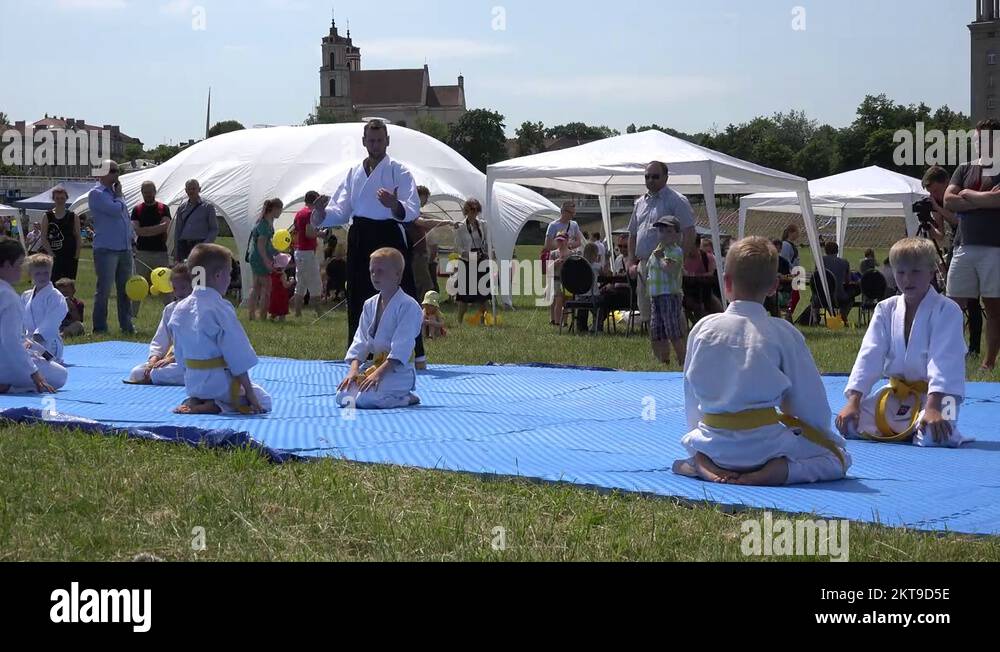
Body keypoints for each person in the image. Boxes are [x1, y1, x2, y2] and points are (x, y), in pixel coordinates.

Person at [672, 236, 851, 486]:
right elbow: (809, 404)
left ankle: (700, 461)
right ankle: (780, 471)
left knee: (689, 455)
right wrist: (817, 435)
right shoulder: (782, 333)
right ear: (774, 285)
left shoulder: (702, 328)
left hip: (713, 444)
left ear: (726, 283)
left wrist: (699, 435)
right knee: (838, 459)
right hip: (766, 449)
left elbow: (691, 395)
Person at [311, 119, 426, 368]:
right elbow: (340, 210)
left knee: (401, 291)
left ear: (387, 141)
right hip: (360, 233)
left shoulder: (399, 170)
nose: (375, 144)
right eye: (371, 140)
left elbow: (413, 208)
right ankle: (358, 355)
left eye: (380, 140)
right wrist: (321, 213)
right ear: (364, 142)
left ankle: (417, 354)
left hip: (389, 233)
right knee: (357, 292)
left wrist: (394, 205)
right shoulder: (354, 172)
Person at [837, 238, 969, 447]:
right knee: (850, 424)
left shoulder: (948, 310)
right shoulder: (885, 309)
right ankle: (907, 426)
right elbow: (869, 355)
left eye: (916, 272)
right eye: (900, 272)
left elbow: (945, 360)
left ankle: (920, 423)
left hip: (944, 396)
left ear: (932, 271)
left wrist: (934, 406)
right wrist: (853, 402)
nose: (907, 279)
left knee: (936, 437)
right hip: (899, 393)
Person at [168, 244, 271, 415]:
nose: (230, 279)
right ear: (218, 275)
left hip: (192, 382)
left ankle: (196, 399)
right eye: (229, 274)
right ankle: (217, 406)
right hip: (220, 384)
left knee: (204, 387)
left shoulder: (179, 308)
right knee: (265, 400)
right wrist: (251, 394)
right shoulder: (220, 308)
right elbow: (237, 354)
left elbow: (179, 355)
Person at [943, 118, 1000, 371]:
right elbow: (948, 200)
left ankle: (988, 363)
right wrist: (984, 199)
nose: (978, 144)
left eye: (984, 140)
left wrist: (967, 196)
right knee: (952, 306)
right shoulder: (964, 168)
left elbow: (997, 201)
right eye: (976, 139)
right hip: (962, 246)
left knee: (994, 307)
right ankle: (949, 356)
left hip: (994, 248)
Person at [336, 247, 422, 409]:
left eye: (380, 271)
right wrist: (353, 370)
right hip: (374, 366)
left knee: (366, 399)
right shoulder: (369, 304)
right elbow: (360, 341)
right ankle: (386, 391)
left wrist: (378, 374)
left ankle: (406, 398)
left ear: (398, 274)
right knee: (344, 397)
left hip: (398, 371)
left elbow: (401, 348)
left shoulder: (408, 306)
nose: (375, 275)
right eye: (372, 271)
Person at [627, 162, 696, 328]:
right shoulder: (639, 203)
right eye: (647, 176)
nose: (650, 180)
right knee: (648, 314)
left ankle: (681, 350)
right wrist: (631, 262)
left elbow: (689, 232)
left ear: (666, 177)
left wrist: (679, 259)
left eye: (655, 176)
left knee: (671, 309)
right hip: (644, 264)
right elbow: (632, 234)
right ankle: (658, 350)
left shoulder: (677, 200)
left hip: (667, 264)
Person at [0, 238, 67, 394]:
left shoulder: (56, 297)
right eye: (19, 265)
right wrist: (34, 373)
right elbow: (10, 341)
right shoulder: (10, 296)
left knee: (42, 355)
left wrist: (27, 341)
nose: (21, 269)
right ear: (6, 265)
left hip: (40, 343)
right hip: (7, 356)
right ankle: (7, 386)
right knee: (61, 375)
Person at [126, 264, 194, 386]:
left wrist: (171, 359)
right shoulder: (170, 310)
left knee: (159, 373)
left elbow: (196, 346)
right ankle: (153, 376)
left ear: (193, 287)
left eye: (183, 287)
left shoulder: (198, 310)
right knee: (137, 373)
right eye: (175, 288)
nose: (179, 293)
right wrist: (153, 360)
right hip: (175, 363)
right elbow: (160, 340)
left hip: (194, 362)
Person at [88, 160, 134, 335]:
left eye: (118, 170)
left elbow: (125, 218)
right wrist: (120, 197)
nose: (117, 174)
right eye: (113, 171)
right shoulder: (97, 193)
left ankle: (127, 326)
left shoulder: (115, 194)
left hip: (124, 248)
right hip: (106, 248)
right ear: (102, 173)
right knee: (104, 290)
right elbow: (115, 211)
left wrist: (131, 239)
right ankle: (100, 327)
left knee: (125, 290)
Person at [646, 217, 687, 366]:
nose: (664, 234)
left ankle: (682, 359)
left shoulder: (675, 251)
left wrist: (661, 257)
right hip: (656, 295)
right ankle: (664, 360)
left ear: (677, 235)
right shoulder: (656, 250)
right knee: (658, 331)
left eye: (669, 231)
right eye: (661, 231)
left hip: (669, 294)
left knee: (673, 330)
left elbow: (670, 269)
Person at [130, 181, 172, 317]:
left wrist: (146, 230)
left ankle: (171, 314)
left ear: (155, 191)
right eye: (145, 192)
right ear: (142, 193)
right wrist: (155, 229)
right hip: (142, 253)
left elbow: (166, 226)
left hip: (160, 252)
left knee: (165, 286)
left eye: (150, 191)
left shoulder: (163, 208)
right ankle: (132, 316)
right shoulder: (137, 210)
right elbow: (136, 230)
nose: (148, 194)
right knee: (138, 285)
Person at [408, 186, 455, 302]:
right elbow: (425, 223)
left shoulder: (416, 212)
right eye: (424, 198)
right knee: (425, 286)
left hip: (421, 255)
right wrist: (447, 222)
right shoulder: (410, 212)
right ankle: (423, 311)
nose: (426, 201)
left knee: (425, 285)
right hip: (416, 255)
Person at [22, 254, 68, 364]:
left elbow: (52, 320)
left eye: (46, 273)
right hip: (27, 342)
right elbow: (18, 320)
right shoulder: (26, 295)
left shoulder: (56, 297)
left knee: (33, 364)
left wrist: (36, 337)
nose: (42, 277)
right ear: (31, 274)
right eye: (38, 273)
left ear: (51, 272)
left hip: (48, 345)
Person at [453, 198, 491, 326]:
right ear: (466, 211)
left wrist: (486, 253)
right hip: (467, 261)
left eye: (475, 209)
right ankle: (459, 321)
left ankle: (483, 322)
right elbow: (458, 247)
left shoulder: (483, 224)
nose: (473, 212)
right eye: (470, 209)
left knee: (483, 295)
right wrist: (469, 255)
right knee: (464, 296)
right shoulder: (460, 227)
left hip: (481, 260)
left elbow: (487, 242)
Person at [291, 191, 325, 319]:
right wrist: (321, 234)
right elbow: (309, 233)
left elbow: (297, 228)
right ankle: (319, 311)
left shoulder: (299, 213)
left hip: (299, 251)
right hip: (307, 252)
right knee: (315, 281)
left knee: (301, 283)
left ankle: (298, 312)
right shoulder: (310, 213)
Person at [247, 198, 280, 321]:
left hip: (255, 256)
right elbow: (261, 245)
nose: (280, 213)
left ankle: (251, 315)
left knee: (255, 286)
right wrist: (266, 260)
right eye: (280, 210)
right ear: (274, 209)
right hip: (260, 257)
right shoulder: (264, 225)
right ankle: (262, 316)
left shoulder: (262, 222)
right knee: (266, 287)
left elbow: (267, 244)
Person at [41, 186, 81, 281]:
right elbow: (43, 237)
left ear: (66, 199)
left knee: (69, 283)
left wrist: (77, 254)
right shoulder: (47, 216)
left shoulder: (73, 216)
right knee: (54, 282)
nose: (60, 200)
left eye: (62, 198)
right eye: (57, 198)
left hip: (70, 255)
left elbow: (78, 237)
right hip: (54, 255)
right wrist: (51, 254)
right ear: (53, 199)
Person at [173, 179, 219, 262]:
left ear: (199, 189)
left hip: (200, 244)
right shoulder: (181, 208)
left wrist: (205, 245)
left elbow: (214, 229)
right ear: (186, 190)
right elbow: (178, 231)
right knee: (185, 273)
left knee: (199, 272)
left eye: (194, 189)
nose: (191, 191)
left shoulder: (208, 207)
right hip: (184, 245)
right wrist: (176, 251)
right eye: (189, 189)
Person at [820, 241, 858, 326]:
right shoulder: (844, 262)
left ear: (826, 251)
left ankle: (816, 319)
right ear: (837, 251)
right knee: (850, 298)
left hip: (822, 296)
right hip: (839, 296)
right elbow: (847, 281)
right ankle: (842, 314)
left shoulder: (820, 261)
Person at [779, 224, 802, 319]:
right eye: (796, 232)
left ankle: (788, 315)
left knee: (795, 297)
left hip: (795, 274)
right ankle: (786, 316)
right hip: (789, 275)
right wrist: (792, 271)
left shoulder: (791, 245)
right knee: (793, 297)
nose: (798, 235)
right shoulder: (786, 245)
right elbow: (785, 260)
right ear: (790, 233)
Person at [548, 232, 572, 326]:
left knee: (567, 301)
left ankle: (565, 322)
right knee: (558, 301)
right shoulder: (553, 254)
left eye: (562, 240)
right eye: (558, 240)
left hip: (568, 281)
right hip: (557, 280)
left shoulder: (572, 254)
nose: (560, 242)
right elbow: (548, 268)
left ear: (566, 241)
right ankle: (557, 322)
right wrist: (555, 263)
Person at [269, 254, 292, 322]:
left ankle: (272, 318)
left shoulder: (272, 273)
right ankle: (282, 320)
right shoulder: (282, 275)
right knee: (282, 311)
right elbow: (285, 285)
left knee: (274, 309)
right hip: (281, 295)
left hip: (273, 294)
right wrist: (291, 282)